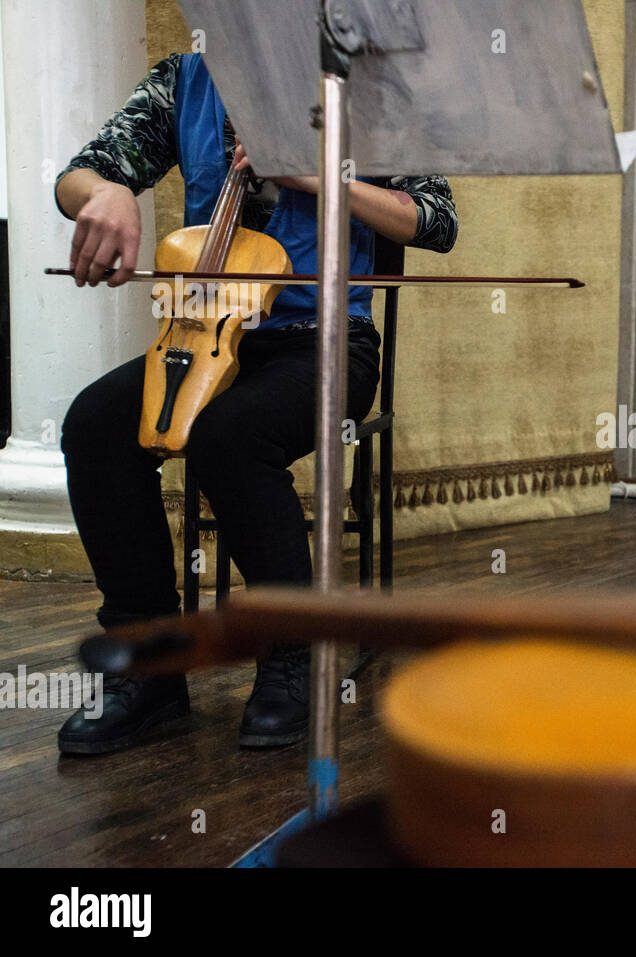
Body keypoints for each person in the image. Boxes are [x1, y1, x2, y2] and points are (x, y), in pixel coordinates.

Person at [54, 52, 457, 753]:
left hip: (328, 337)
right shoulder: (185, 78)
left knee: (228, 434)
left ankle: (295, 652)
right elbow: (80, 172)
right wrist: (104, 194)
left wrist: (319, 178)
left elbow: (434, 219)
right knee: (94, 424)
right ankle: (150, 665)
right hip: (209, 329)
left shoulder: (366, 83)